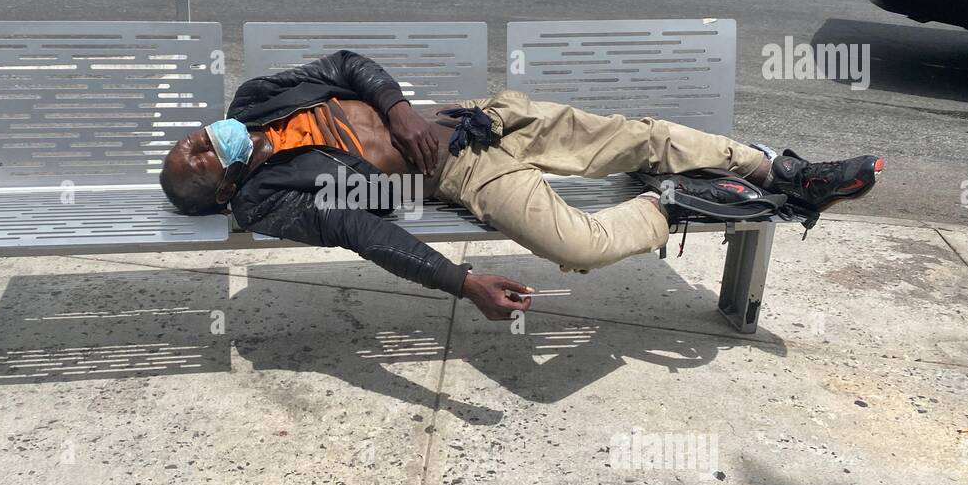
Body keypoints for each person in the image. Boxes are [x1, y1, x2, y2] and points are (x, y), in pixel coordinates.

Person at [159, 51, 883, 320]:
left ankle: (780, 171)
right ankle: (677, 204)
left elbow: (348, 64)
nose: (196, 142)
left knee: (635, 135)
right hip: (460, 171)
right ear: (221, 192)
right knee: (577, 244)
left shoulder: (253, 98)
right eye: (195, 160)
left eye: (188, 140)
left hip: (476, 116)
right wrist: (462, 280)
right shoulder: (267, 198)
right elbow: (364, 227)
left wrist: (400, 107)